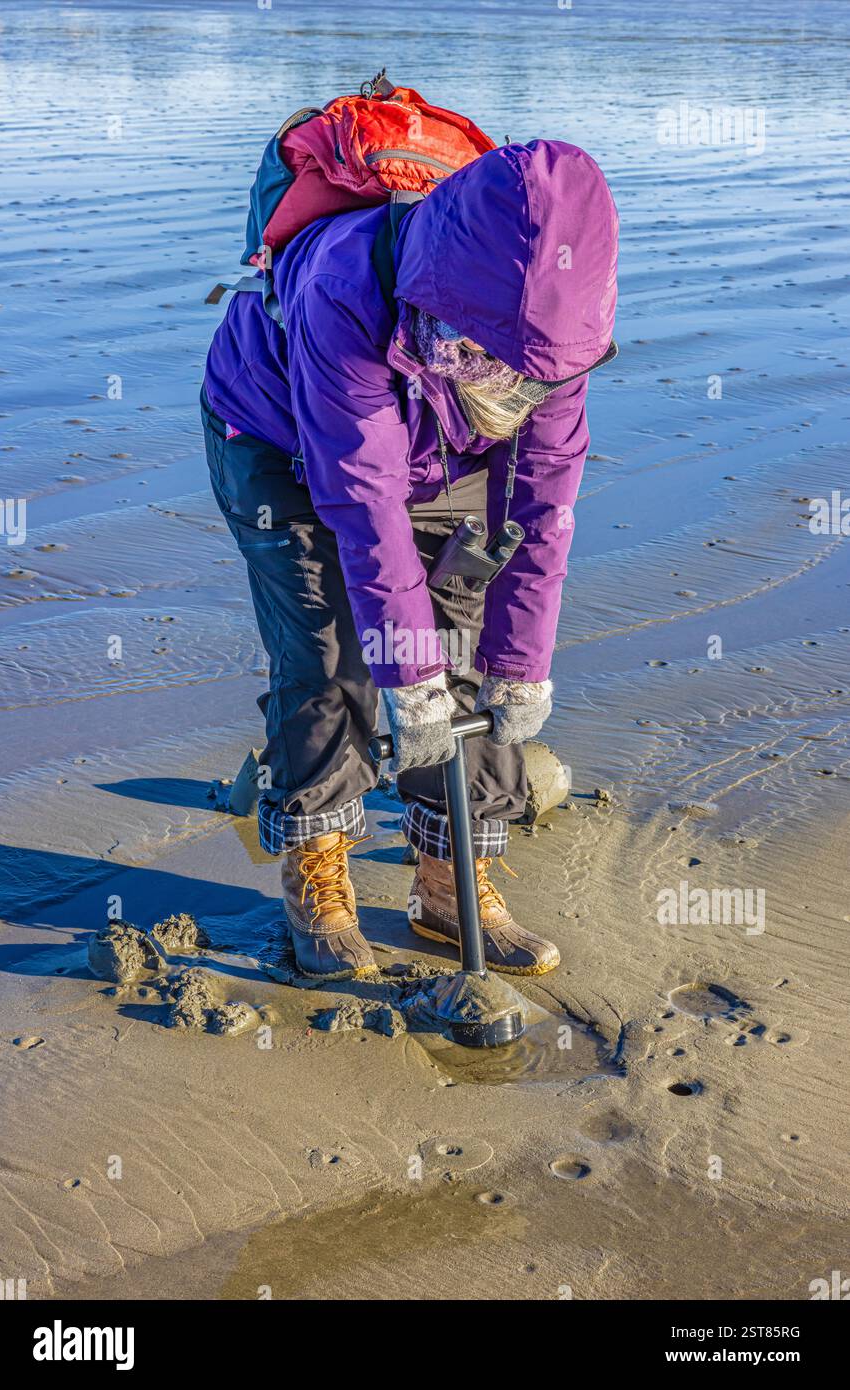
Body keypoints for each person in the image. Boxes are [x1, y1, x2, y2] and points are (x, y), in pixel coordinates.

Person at [201, 138, 618, 982]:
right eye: (484, 356)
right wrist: (407, 678)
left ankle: (449, 878)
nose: (507, 379)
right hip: (281, 442)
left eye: (524, 372)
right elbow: (363, 501)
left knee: (468, 643)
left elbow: (540, 506)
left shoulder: (562, 328)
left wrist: (522, 668)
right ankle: (318, 868)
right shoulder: (342, 287)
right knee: (328, 656)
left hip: (450, 458)